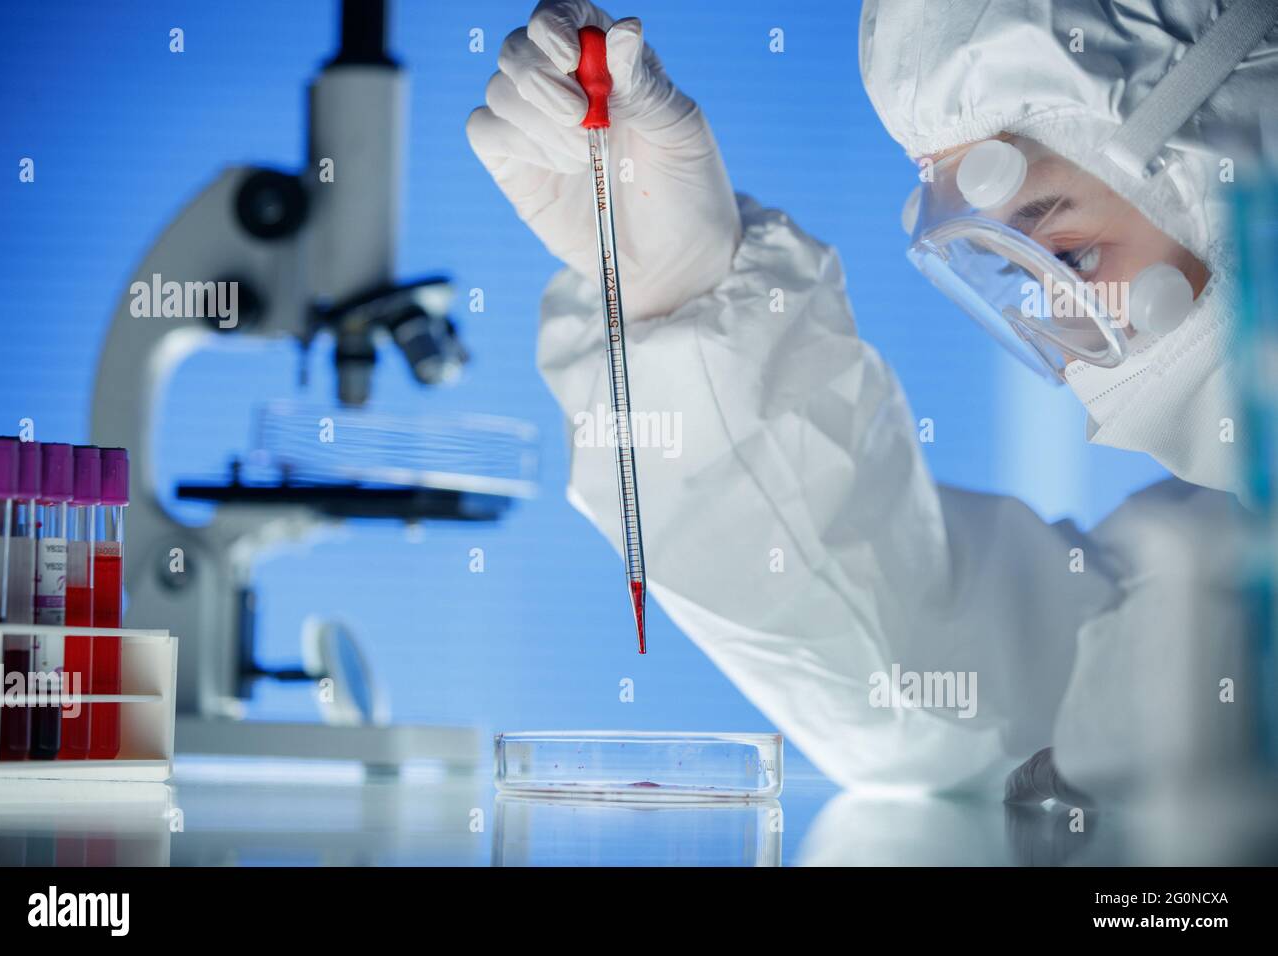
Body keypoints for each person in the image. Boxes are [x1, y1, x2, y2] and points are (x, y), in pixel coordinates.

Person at [467, 0, 1278, 800]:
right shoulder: (1229, 573)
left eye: (1072, 252)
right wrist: (683, 299)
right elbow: (946, 696)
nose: (1072, 356)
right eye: (1019, 279)